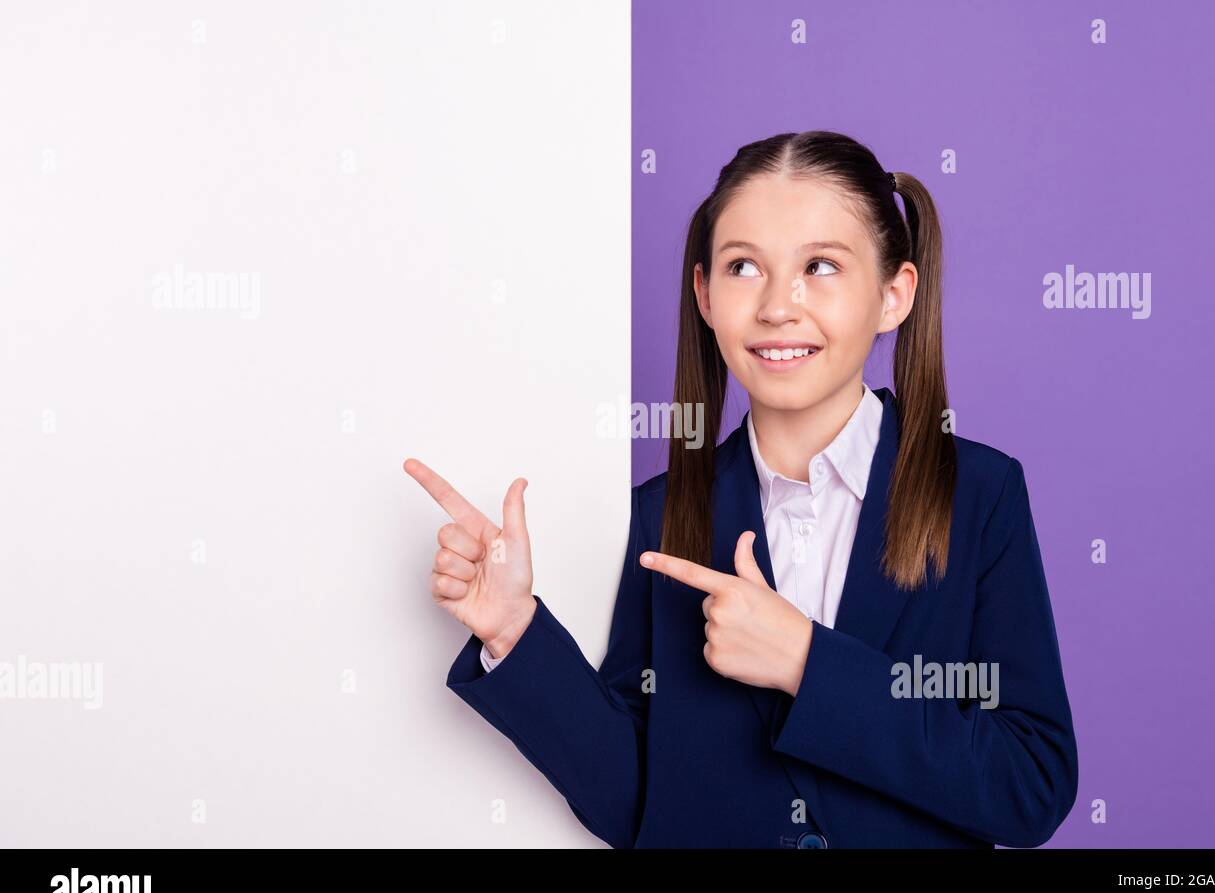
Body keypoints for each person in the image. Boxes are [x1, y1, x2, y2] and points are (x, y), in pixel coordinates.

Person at [404, 130, 1078, 848]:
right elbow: (639, 801)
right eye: (743, 267)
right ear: (704, 294)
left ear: (893, 294)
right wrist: (514, 631)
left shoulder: (980, 495)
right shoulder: (663, 514)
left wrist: (806, 663)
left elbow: (1029, 782)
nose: (778, 306)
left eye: (820, 266)